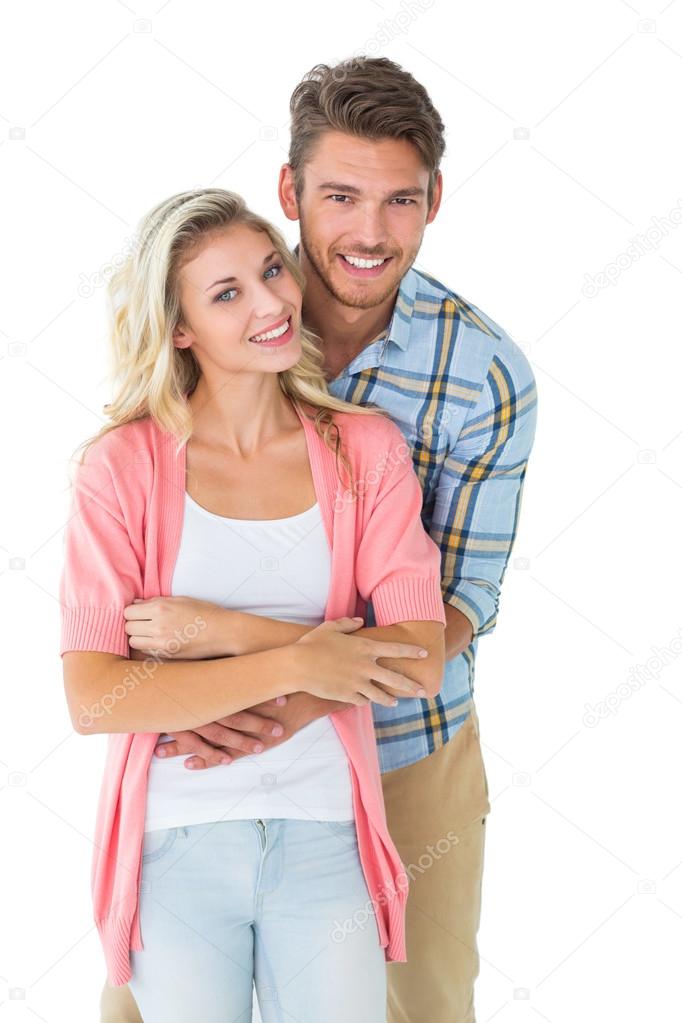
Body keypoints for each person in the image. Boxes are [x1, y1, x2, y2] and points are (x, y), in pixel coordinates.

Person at [100, 56, 538, 1023]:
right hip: (196, 754)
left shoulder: (483, 374)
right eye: (340, 196)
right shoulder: (215, 307)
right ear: (292, 191)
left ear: (435, 201)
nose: (370, 233)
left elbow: (462, 606)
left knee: (419, 1004)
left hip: (403, 747)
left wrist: (278, 672)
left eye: (400, 201)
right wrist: (226, 678)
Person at [59, 188, 448, 1022]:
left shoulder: (365, 451)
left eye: (273, 270)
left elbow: (419, 657)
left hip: (324, 833)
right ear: (179, 328)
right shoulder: (121, 469)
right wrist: (299, 662)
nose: (272, 303)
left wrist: (222, 636)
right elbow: (95, 696)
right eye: (227, 292)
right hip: (177, 842)